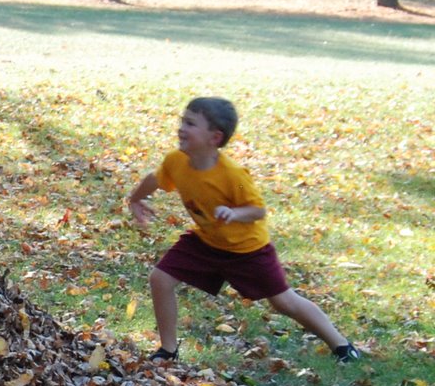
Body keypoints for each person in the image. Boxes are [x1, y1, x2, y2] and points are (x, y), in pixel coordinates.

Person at [127, 96, 360, 366]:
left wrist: (234, 213)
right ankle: (167, 349)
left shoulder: (232, 176)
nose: (181, 128)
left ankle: (342, 346)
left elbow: (257, 209)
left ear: (214, 137)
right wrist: (135, 198)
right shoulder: (176, 161)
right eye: (182, 121)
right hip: (206, 242)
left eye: (190, 124)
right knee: (160, 279)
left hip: (247, 250)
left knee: (283, 302)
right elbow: (156, 179)